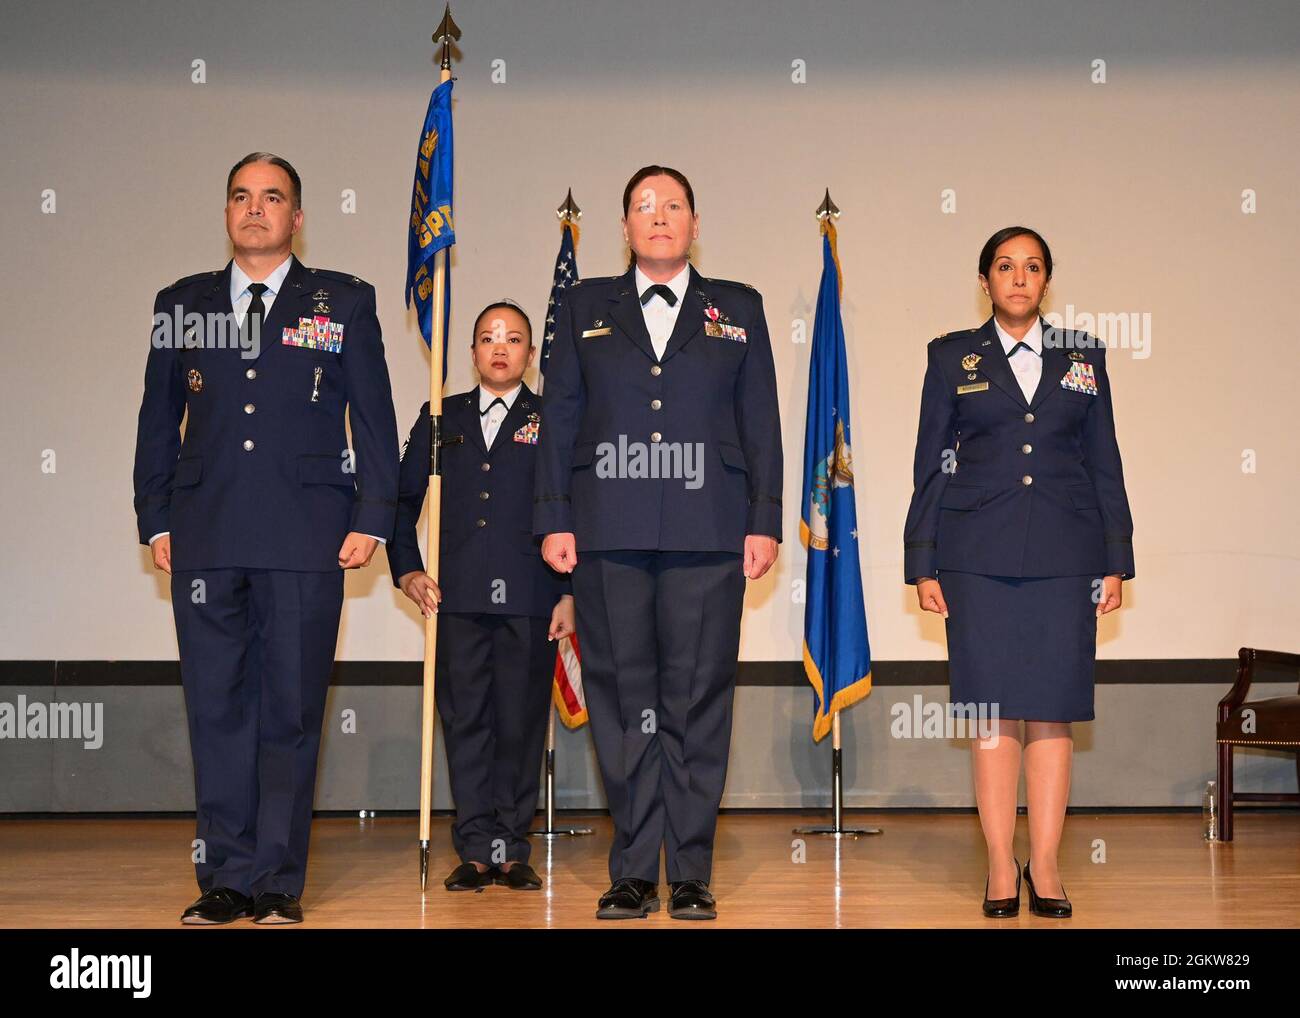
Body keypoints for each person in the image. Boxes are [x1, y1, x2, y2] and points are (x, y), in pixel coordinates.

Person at [132, 152, 399, 924]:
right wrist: (155, 516)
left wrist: (372, 514)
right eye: (242, 197)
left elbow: (374, 418)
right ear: (225, 213)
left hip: (308, 534)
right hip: (205, 532)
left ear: (297, 217)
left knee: (289, 709)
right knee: (216, 708)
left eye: (272, 197)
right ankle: (225, 878)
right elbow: (158, 421)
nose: (256, 209)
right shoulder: (182, 303)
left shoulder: (342, 302)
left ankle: (278, 881)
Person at [534, 165, 783, 920]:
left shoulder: (737, 308)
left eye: (673, 205)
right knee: (621, 702)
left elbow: (762, 419)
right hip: (608, 531)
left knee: (697, 698)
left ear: (695, 223)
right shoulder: (583, 308)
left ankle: (695, 871)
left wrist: (764, 517)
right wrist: (553, 516)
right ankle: (635, 869)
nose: (660, 216)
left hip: (709, 531)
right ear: (626, 226)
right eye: (645, 206)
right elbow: (560, 418)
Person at [902, 226, 1134, 918]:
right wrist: (924, 559)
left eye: (1032, 267)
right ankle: (1002, 866)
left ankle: (1050, 866)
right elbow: (929, 465)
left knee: (1053, 714)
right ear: (985, 281)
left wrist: (1115, 558)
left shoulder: (1082, 356)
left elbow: (1104, 462)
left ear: (1045, 281)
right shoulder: (950, 358)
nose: (1019, 277)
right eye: (1006, 266)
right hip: (977, 558)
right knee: (992, 714)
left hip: (1068, 557)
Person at [390, 300, 575, 892]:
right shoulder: (441, 418)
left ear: (529, 353)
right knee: (466, 722)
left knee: (519, 725)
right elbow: (401, 504)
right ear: (470, 352)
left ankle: (511, 848)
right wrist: (407, 570)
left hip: (531, 597)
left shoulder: (554, 421)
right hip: (458, 599)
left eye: (514, 338)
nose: (501, 347)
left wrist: (570, 592)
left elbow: (577, 515)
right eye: (489, 338)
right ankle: (475, 850)